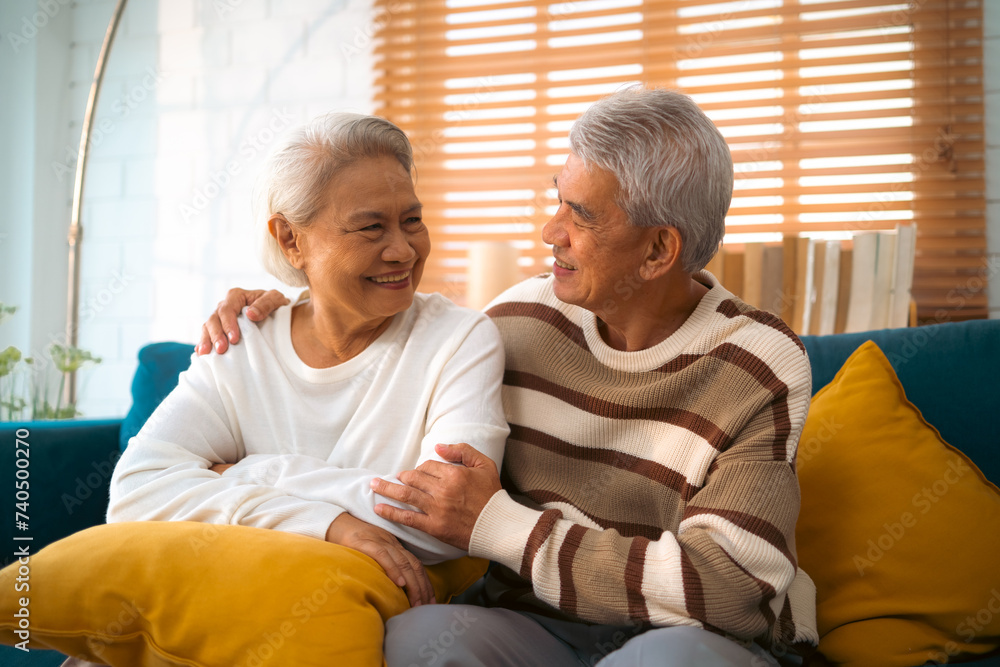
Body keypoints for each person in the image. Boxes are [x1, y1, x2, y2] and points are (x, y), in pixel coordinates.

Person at [200, 87, 818, 666]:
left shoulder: (757, 361)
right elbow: (392, 364)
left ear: (658, 250)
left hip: (691, 637)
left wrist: (496, 524)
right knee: (420, 641)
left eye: (581, 216)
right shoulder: (520, 319)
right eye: (558, 200)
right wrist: (292, 305)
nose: (550, 232)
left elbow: (727, 590)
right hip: (535, 625)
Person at [106, 112, 509, 610]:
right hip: (225, 603)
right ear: (290, 240)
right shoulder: (243, 341)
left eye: (412, 221)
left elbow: (447, 519)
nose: (403, 251)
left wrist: (246, 472)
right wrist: (328, 523)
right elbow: (135, 495)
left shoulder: (460, 339)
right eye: (371, 227)